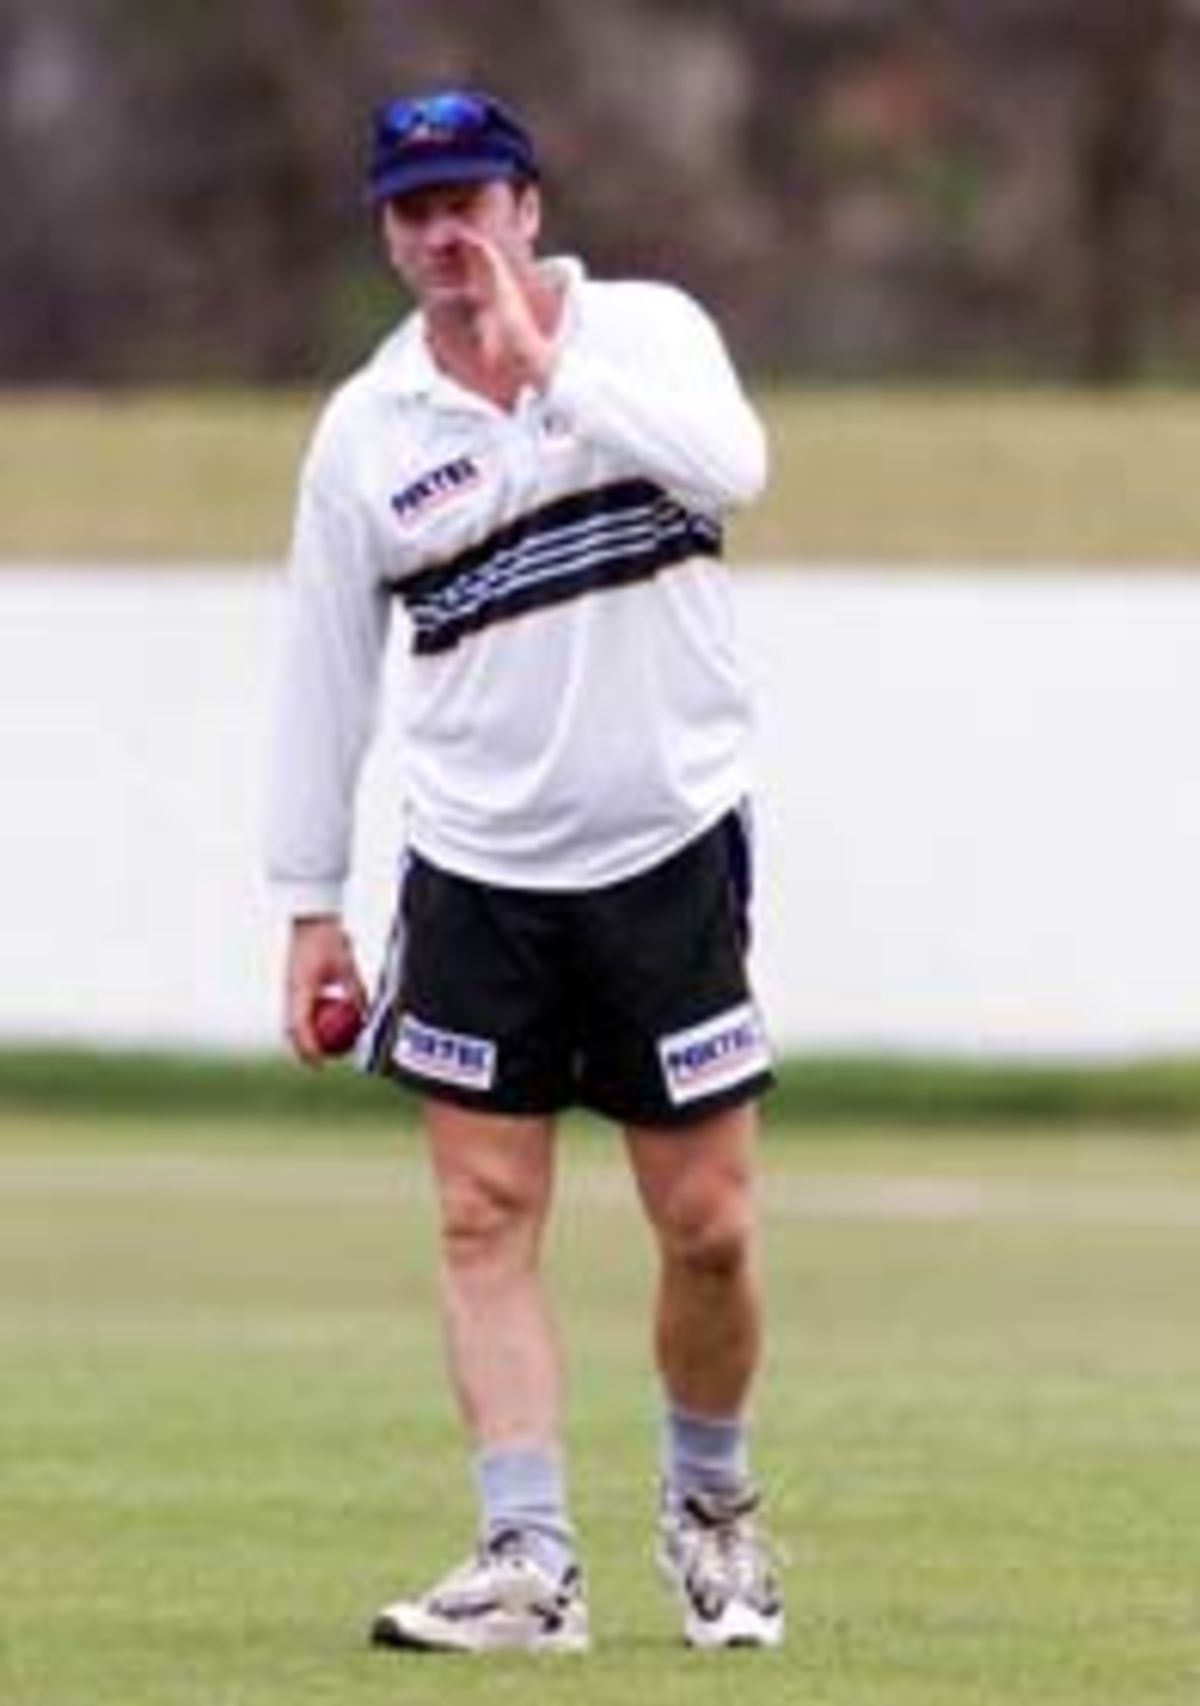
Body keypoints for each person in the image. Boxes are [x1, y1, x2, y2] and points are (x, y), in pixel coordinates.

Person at [265, 86, 783, 1655]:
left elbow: (735, 467)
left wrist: (554, 370)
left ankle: (713, 1513)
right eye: (415, 210)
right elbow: (324, 673)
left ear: (529, 208)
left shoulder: (648, 334)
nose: (446, 232)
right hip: (479, 869)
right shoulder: (369, 430)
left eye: (472, 199)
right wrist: (310, 906)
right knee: (484, 1214)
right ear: (385, 232)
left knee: (707, 1223)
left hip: (667, 849)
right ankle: (527, 1561)